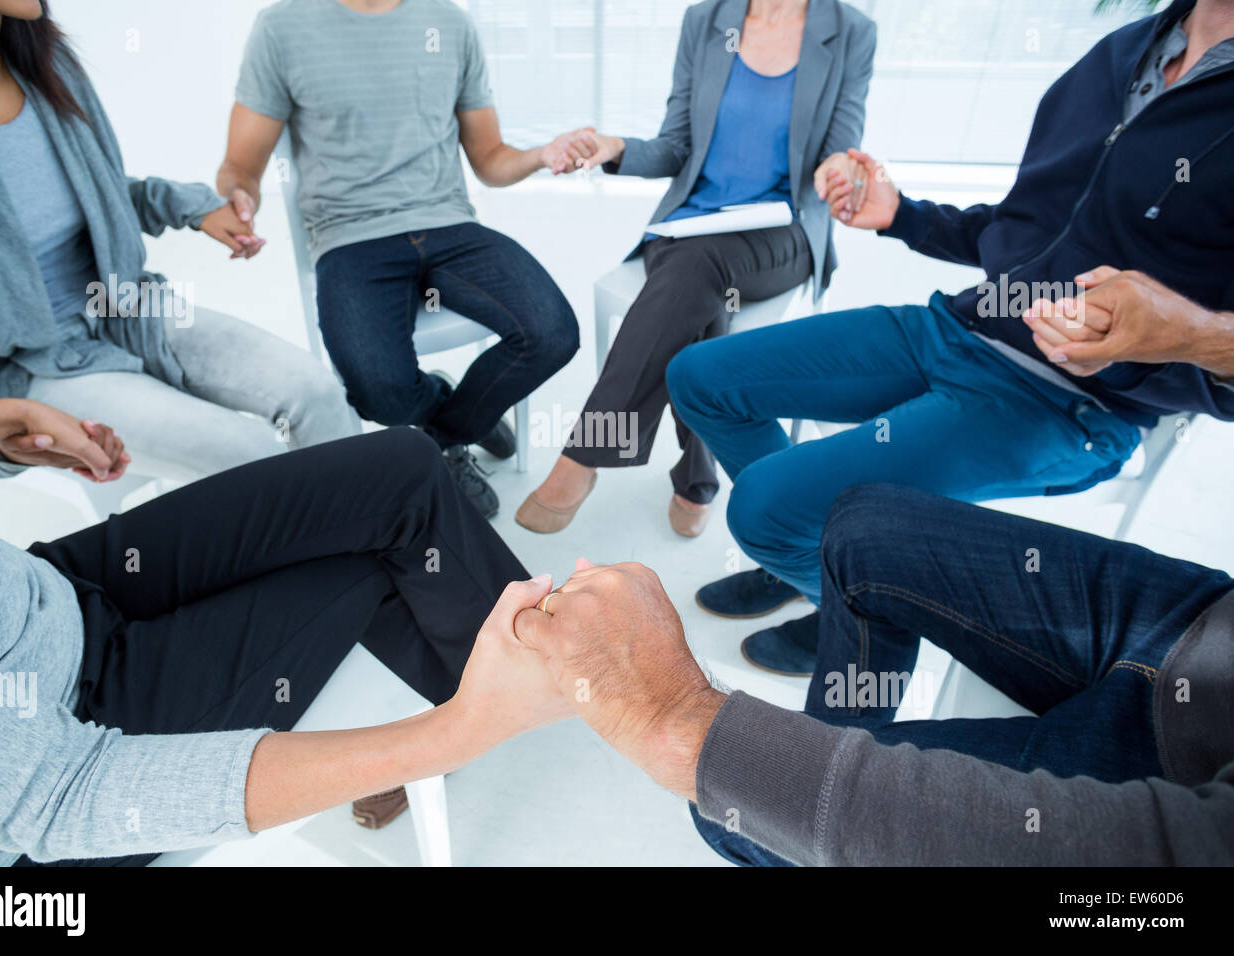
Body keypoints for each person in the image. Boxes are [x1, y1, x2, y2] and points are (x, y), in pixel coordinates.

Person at [668, 0, 1234, 673]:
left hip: (1065, 404)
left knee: (762, 509)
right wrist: (902, 216)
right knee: (701, 378)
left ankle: (852, 604)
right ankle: (818, 549)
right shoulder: (1125, 52)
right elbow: (1026, 227)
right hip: (957, 328)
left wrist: (1184, 334)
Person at [0, 398, 573, 865]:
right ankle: (557, 683)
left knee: (401, 469)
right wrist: (451, 737)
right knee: (369, 569)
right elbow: (59, 795)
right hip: (64, 748)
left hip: (45, 592)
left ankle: (545, 667)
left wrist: (4, 420)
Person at [512, 485, 1234, 866]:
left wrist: (680, 722)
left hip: (1179, 794)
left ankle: (819, 814)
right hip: (1207, 627)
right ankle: (833, 776)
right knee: (861, 528)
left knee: (731, 807)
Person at [0, 0, 360, 487]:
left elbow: (101, 194)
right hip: (24, 367)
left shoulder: (48, 65)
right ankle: (343, 554)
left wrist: (193, 208)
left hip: (127, 310)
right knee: (250, 452)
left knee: (316, 392)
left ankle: (393, 535)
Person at [516, 0, 877, 538]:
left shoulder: (850, 32)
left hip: (783, 231)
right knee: (696, 285)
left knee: (696, 270)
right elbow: (676, 146)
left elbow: (840, 148)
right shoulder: (706, 21)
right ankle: (696, 477)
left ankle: (583, 458)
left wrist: (841, 172)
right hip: (691, 225)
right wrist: (615, 149)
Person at [218, 0, 583, 519]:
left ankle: (447, 435)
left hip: (449, 225)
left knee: (552, 333)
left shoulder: (450, 22)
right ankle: (457, 411)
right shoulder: (283, 26)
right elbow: (240, 163)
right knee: (377, 393)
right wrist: (239, 199)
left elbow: (489, 160)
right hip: (351, 236)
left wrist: (540, 156)